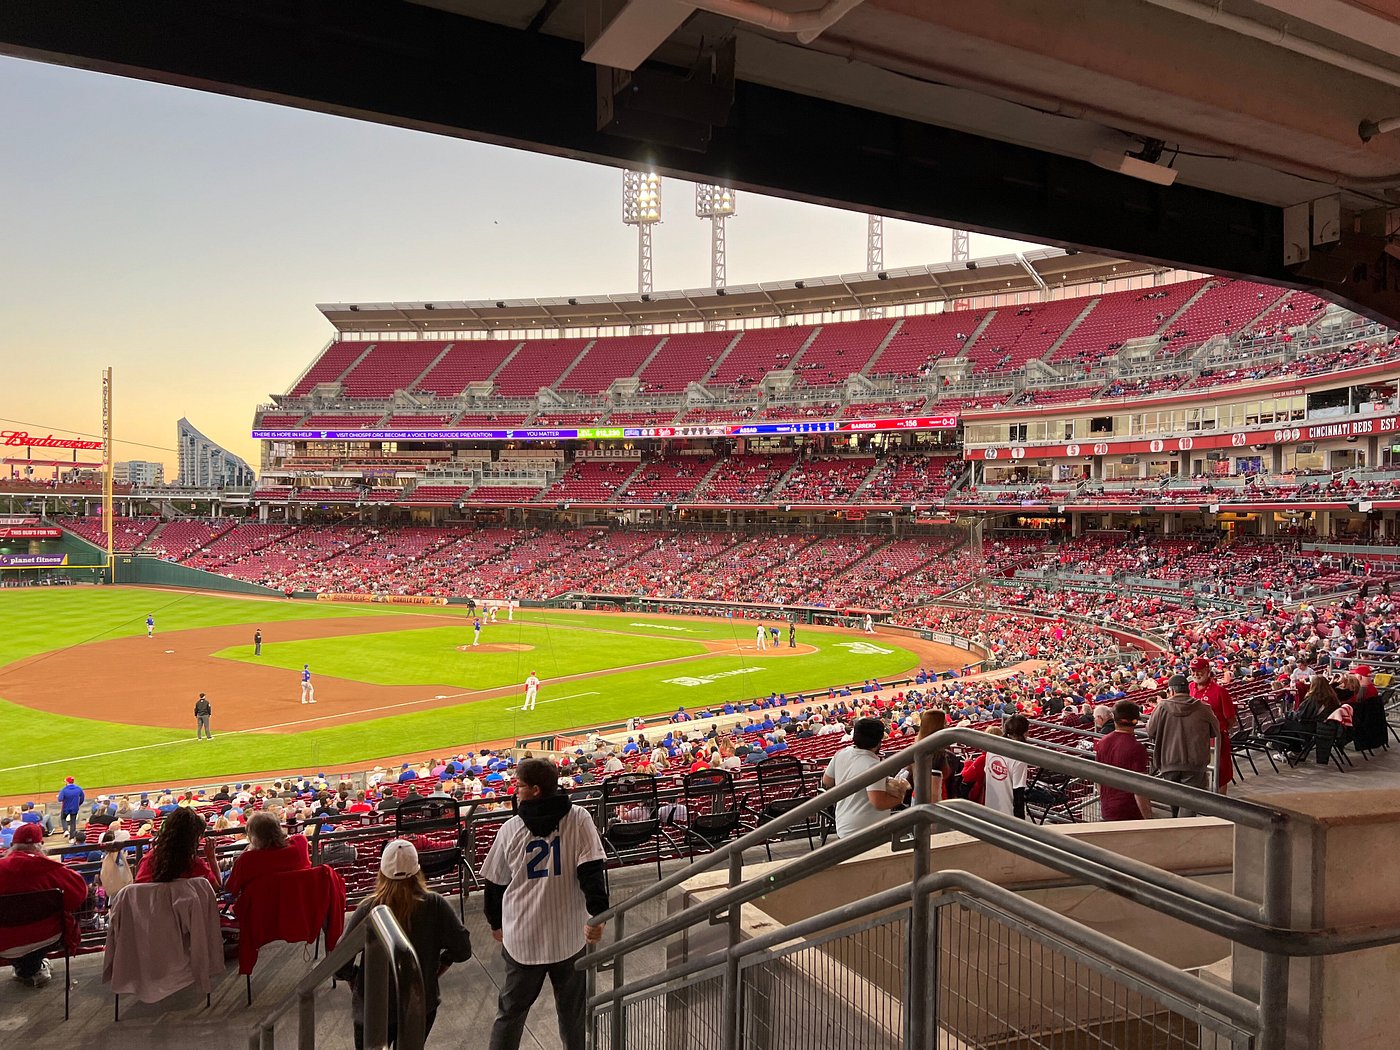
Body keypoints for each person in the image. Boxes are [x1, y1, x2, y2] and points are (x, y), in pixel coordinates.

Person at [483, 758, 608, 1050]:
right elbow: (592, 872)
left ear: (536, 790)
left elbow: (495, 884)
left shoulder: (511, 829)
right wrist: (598, 915)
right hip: (569, 937)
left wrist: (495, 923)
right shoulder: (579, 818)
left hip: (523, 940)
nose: (515, 790)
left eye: (520, 786)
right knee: (573, 1016)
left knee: (510, 1014)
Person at [339, 840, 472, 1050]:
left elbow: (339, 963)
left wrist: (355, 978)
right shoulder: (436, 904)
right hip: (420, 1004)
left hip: (373, 1009)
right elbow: (463, 949)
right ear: (418, 870)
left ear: (381, 871)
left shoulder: (368, 909)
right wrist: (440, 966)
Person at [0, 823, 88, 988]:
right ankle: (31, 968)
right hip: (48, 937)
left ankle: (26, 968)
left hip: (3, 942)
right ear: (40, 846)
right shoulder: (53, 870)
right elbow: (79, 896)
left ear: (12, 846)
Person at [1144, 674, 1220, 816]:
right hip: (1195, 761)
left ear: (1171, 691)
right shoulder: (1204, 708)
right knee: (1190, 801)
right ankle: (1185, 828)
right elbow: (1215, 731)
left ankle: (1177, 824)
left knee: (1174, 798)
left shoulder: (1161, 708)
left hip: (1169, 760)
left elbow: (1150, 731)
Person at [820, 717, 908, 839]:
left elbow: (827, 781)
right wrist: (900, 797)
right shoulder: (874, 766)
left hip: (844, 825)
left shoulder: (841, 753)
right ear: (879, 740)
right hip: (866, 832)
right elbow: (879, 802)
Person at [134, 805, 222, 894]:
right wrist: (211, 857)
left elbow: (138, 892)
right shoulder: (195, 864)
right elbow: (217, 888)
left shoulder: (148, 860)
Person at [225, 812, 311, 899]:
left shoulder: (246, 859)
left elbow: (230, 888)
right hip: (300, 902)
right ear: (279, 828)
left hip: (261, 910)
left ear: (253, 836)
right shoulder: (300, 842)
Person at [1093, 701, 1154, 821]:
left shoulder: (1102, 742)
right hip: (1130, 810)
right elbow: (1139, 789)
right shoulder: (1137, 748)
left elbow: (1098, 779)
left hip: (1108, 807)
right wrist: (1148, 818)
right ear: (1136, 721)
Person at [1189, 658, 1236, 795]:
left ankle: (1220, 803)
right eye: (1193, 670)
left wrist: (1220, 731)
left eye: (1200, 671)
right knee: (1198, 771)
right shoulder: (1190, 687)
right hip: (1196, 738)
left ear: (1207, 671)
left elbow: (1231, 718)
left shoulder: (1220, 691)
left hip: (1217, 738)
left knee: (1221, 772)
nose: (1196, 674)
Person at [983, 714, 1030, 819]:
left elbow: (987, 776)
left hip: (990, 809)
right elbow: (1018, 793)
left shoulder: (991, 749)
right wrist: (1020, 823)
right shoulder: (1019, 758)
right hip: (1009, 815)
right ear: (1024, 732)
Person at [56, 776, 85, 843]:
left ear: (67, 782)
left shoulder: (64, 790)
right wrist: (78, 804)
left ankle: (65, 830)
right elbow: (82, 798)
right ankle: (71, 838)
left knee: (63, 818)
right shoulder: (78, 789)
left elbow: (60, 799)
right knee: (73, 822)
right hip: (75, 808)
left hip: (65, 808)